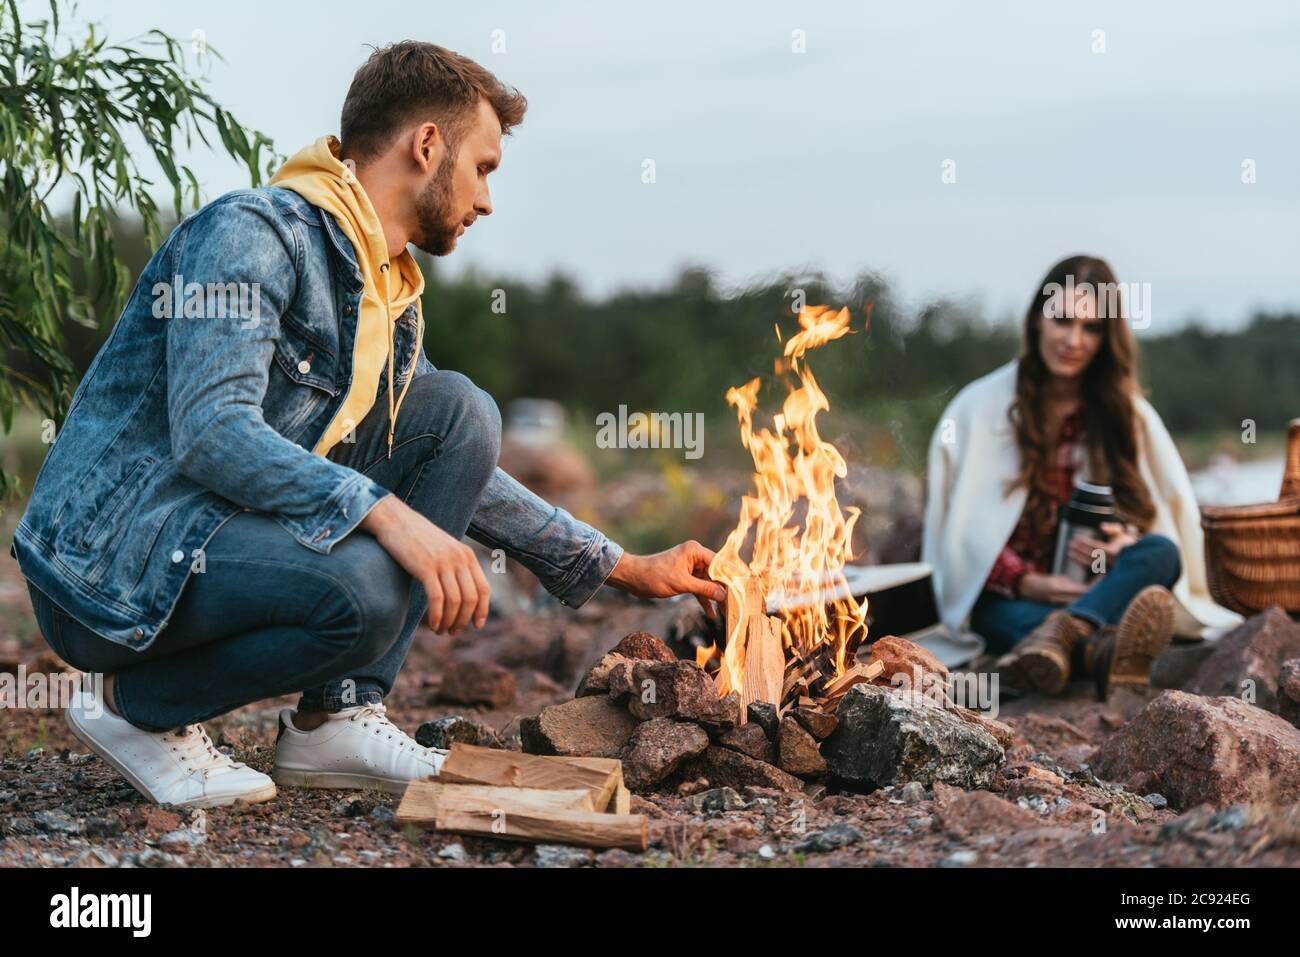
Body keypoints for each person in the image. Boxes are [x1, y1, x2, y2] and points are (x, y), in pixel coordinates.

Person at [10, 42, 727, 809]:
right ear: (426, 146)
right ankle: (133, 710)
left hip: (207, 544)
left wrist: (623, 566)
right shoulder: (253, 232)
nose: (486, 201)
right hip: (112, 571)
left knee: (460, 412)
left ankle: (336, 716)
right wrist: (383, 514)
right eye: (483, 168)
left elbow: (460, 463)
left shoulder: (386, 293)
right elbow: (212, 430)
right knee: (369, 587)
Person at [921, 255, 1240, 698]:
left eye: (1091, 329)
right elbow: (963, 533)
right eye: (1062, 320)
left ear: (1107, 340)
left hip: (1100, 589)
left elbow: (1154, 520)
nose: (1073, 340)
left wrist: (1119, 545)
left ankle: (1067, 636)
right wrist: (1024, 581)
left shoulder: (1127, 416)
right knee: (994, 619)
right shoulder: (980, 408)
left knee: (1159, 553)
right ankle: (1096, 649)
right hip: (1023, 598)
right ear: (1037, 320)